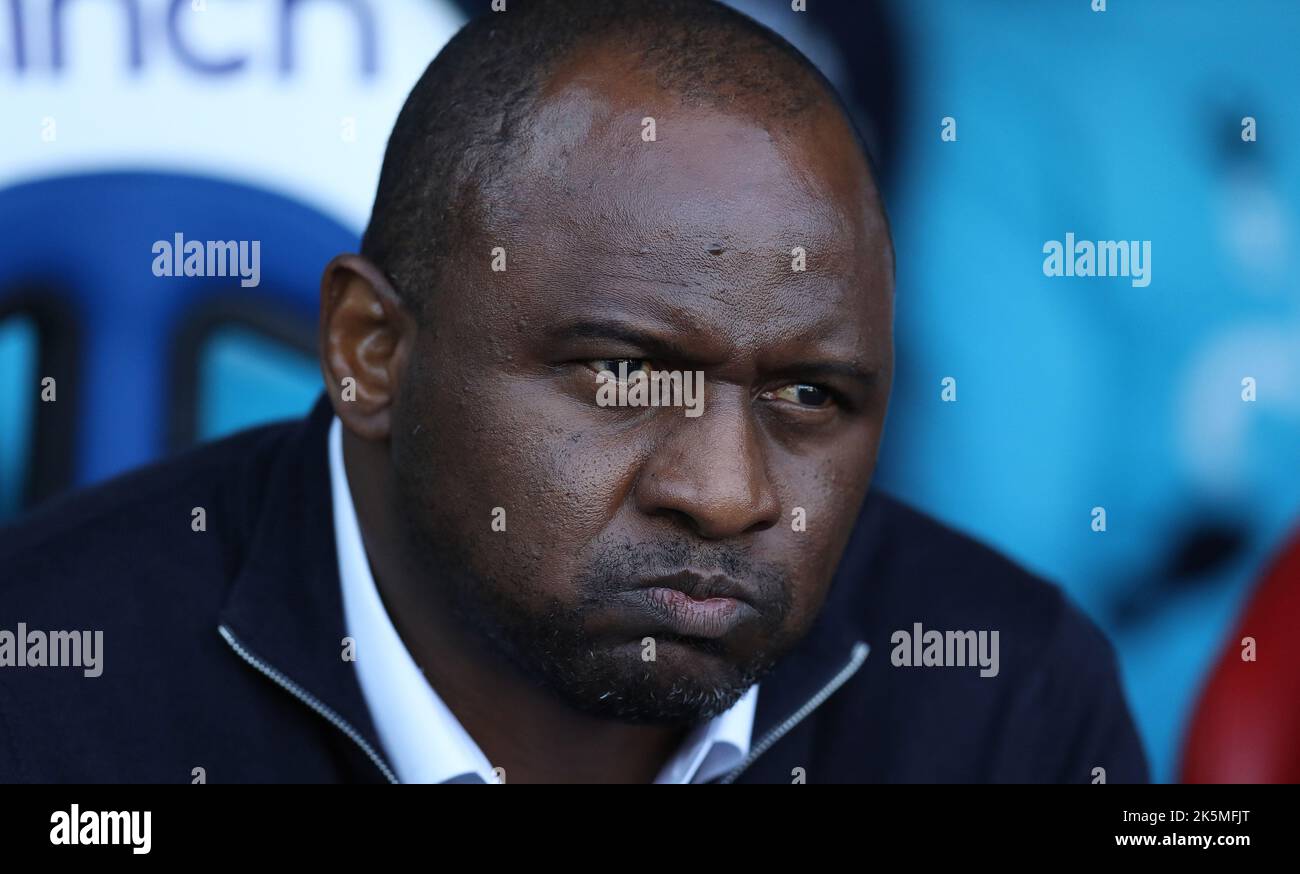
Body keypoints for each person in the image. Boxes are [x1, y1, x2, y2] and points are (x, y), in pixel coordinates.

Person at [0, 0, 1146, 783]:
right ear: (368, 349)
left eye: (806, 394)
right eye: (623, 371)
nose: (725, 493)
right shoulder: (48, 685)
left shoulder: (1007, 699)